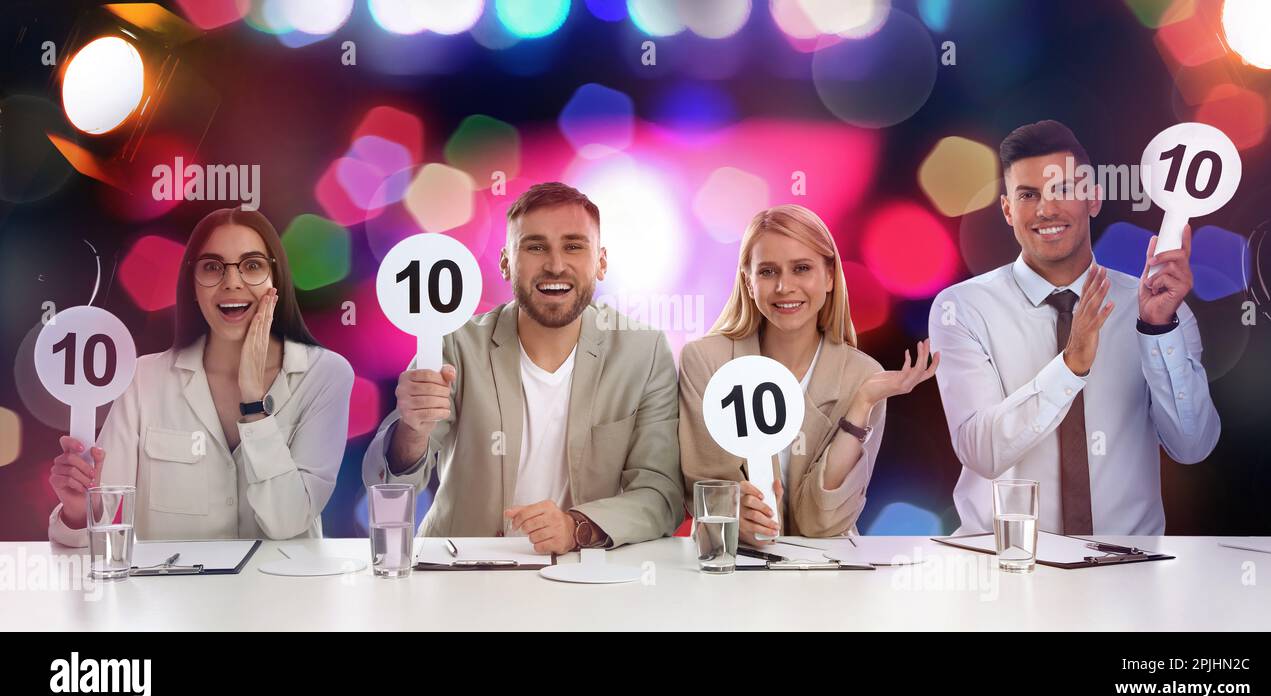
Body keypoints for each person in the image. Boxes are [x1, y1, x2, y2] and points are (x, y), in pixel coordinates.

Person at [928, 120, 1220, 535]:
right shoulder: (963, 309)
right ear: (1008, 209)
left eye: (1064, 189)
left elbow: (1192, 446)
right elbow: (982, 453)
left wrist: (1157, 332)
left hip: (1125, 573)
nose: (1046, 209)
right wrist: (1070, 367)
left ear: (1094, 198)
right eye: (1028, 195)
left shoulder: (1159, 311)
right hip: (1007, 568)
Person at [362, 182, 684, 553]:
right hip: (458, 570)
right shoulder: (451, 343)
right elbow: (386, 485)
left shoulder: (643, 352)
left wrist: (575, 528)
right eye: (535, 247)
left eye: (574, 246)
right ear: (505, 263)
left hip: (583, 575)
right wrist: (412, 430)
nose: (555, 265)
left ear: (601, 262)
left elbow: (661, 495)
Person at [47, 207, 354, 545]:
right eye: (212, 267)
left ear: (275, 280)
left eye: (252, 265)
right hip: (174, 594)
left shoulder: (325, 375)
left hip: (284, 593)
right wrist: (77, 511)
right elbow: (95, 522)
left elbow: (288, 521)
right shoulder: (144, 379)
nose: (232, 282)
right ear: (192, 285)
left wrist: (253, 403)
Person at [679, 204, 937, 544]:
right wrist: (727, 508)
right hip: (733, 564)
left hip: (825, 572)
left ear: (830, 276)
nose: (785, 286)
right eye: (768, 272)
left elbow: (822, 523)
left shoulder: (862, 378)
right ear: (748, 280)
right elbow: (701, 485)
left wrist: (861, 404)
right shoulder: (705, 361)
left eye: (801, 268)